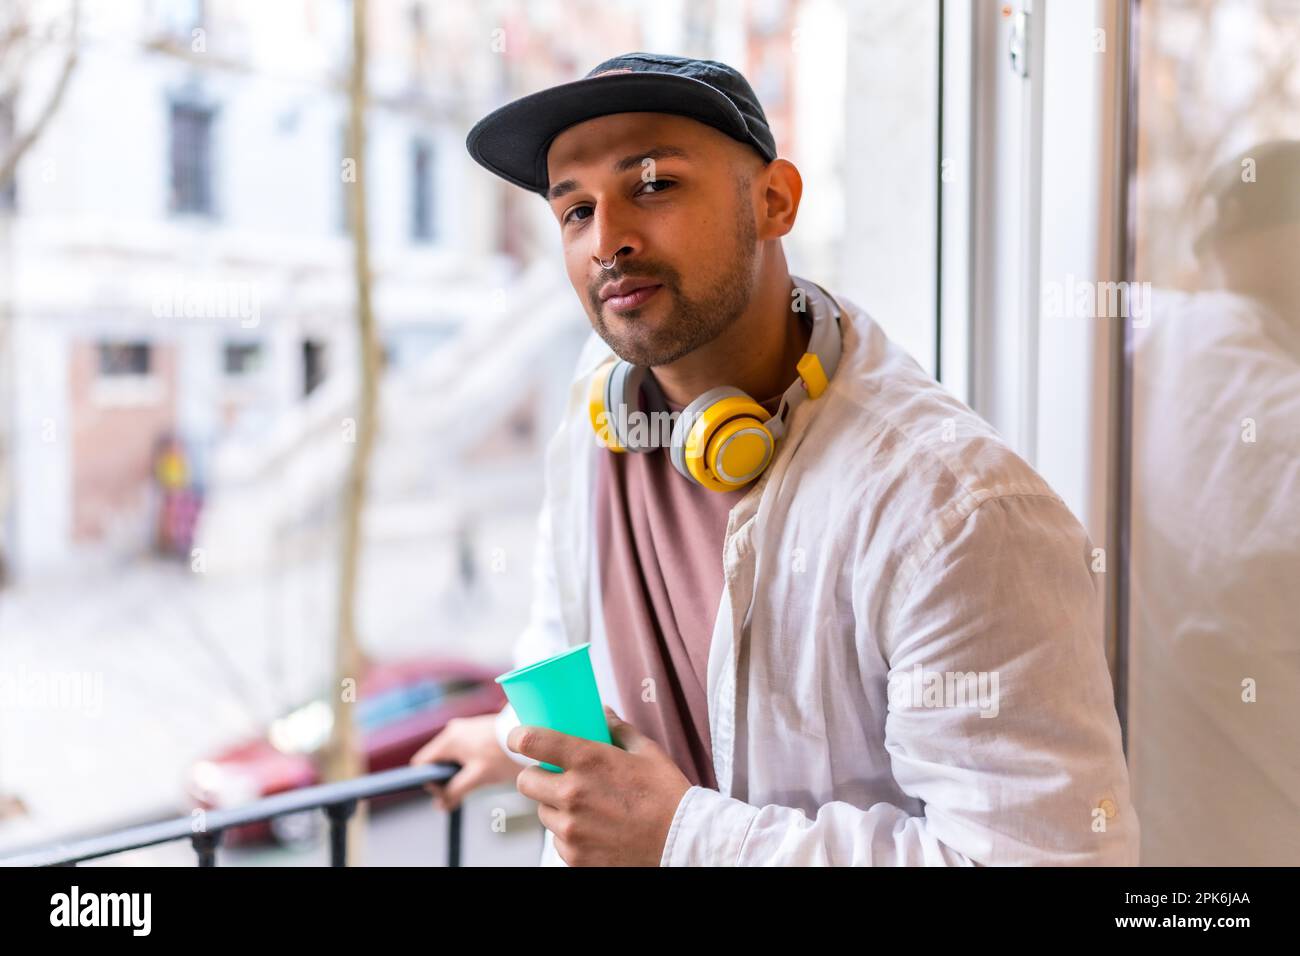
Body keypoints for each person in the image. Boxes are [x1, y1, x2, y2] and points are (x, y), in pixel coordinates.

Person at [412, 52, 1137, 867]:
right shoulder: (594, 423)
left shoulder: (955, 510)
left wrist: (681, 839)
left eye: (652, 184)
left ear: (774, 202)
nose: (606, 239)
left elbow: (1049, 857)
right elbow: (564, 646)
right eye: (575, 210)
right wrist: (510, 737)